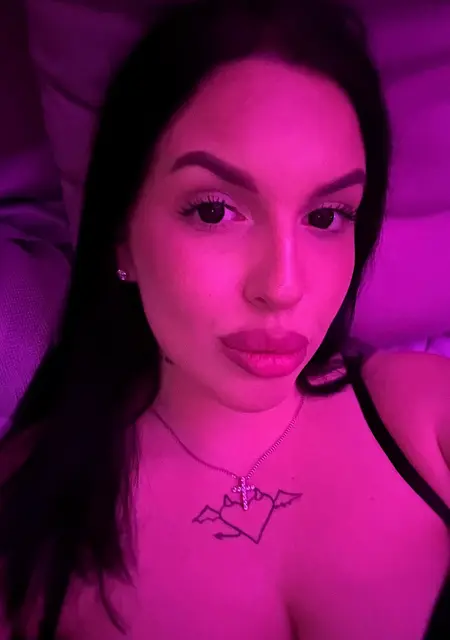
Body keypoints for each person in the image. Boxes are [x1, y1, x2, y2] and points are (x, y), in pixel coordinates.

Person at [0, 0, 449, 638]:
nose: (283, 287)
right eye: (214, 211)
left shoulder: (426, 417)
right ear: (122, 234)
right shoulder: (28, 510)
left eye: (326, 217)